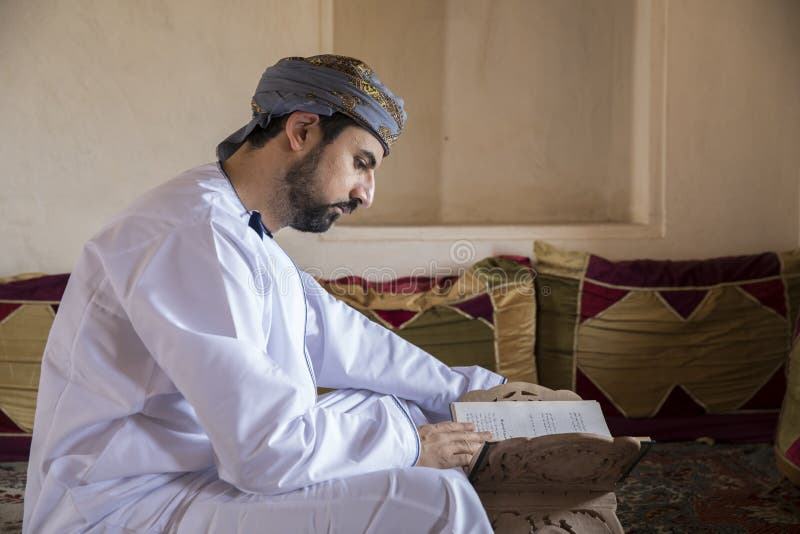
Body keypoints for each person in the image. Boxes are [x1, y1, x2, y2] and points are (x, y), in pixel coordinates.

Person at [23, 55, 504, 533]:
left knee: (399, 408)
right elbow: (266, 453)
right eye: (361, 163)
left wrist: (479, 392)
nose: (367, 194)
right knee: (437, 502)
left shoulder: (240, 225)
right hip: (125, 506)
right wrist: (414, 445)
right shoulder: (197, 233)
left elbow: (338, 336)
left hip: (195, 474)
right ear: (302, 130)